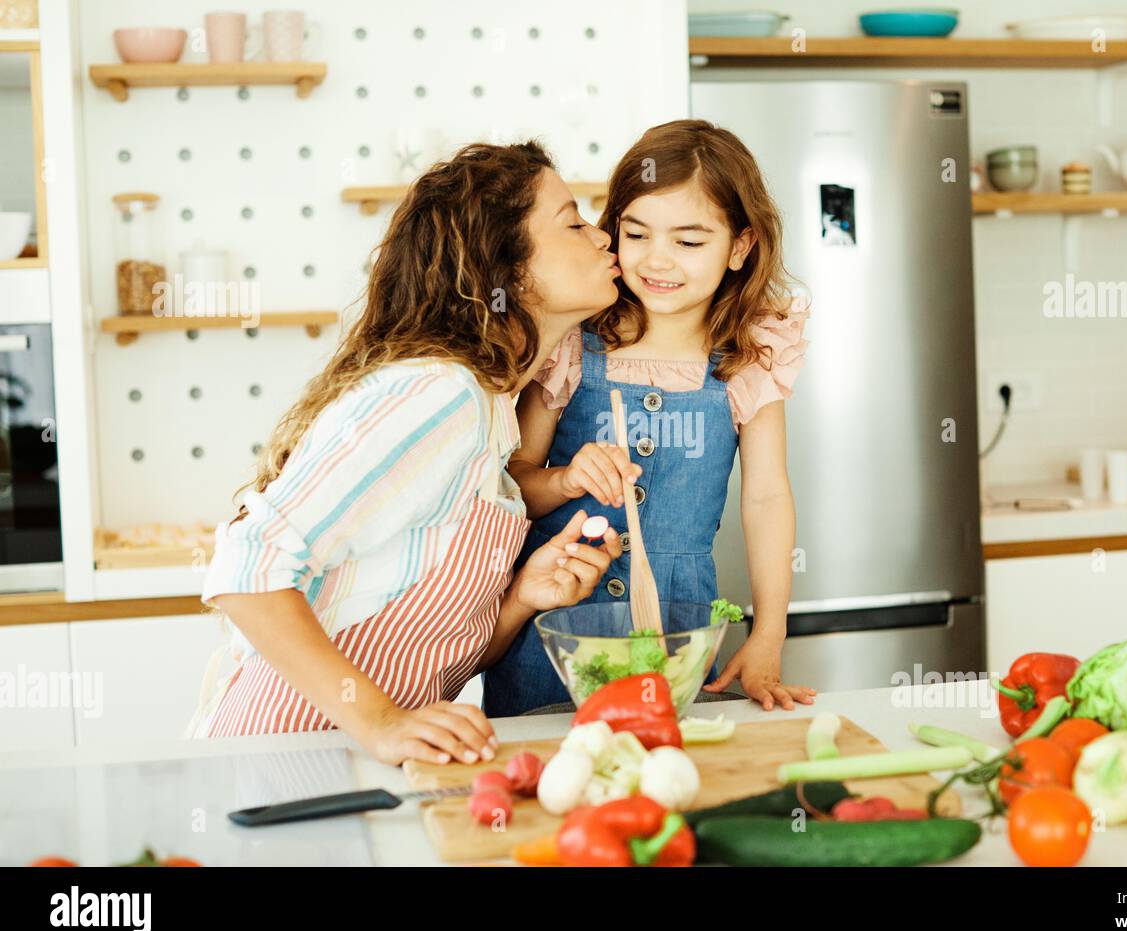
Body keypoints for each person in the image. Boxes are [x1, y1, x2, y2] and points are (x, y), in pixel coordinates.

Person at [195, 142, 623, 766]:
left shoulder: (491, 411)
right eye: (573, 222)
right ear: (512, 271)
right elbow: (247, 568)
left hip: (358, 767)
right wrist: (382, 726)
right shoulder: (438, 393)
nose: (603, 237)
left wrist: (520, 600)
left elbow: (423, 656)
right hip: (282, 761)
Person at [486, 120, 815, 717]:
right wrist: (565, 480)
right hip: (550, 636)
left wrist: (768, 634)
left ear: (740, 247)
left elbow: (767, 498)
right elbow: (511, 488)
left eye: (689, 242)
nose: (657, 260)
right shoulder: (572, 344)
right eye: (636, 234)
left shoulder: (750, 356)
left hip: (675, 633)